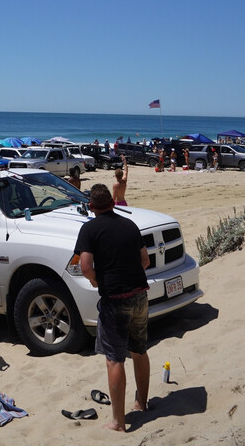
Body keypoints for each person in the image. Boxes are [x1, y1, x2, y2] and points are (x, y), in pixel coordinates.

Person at [75, 183, 150, 433]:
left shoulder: (90, 228)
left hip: (115, 300)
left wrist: (97, 280)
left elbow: (85, 266)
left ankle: (118, 421)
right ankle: (141, 402)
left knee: (114, 359)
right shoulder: (129, 224)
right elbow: (145, 260)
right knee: (139, 350)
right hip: (139, 294)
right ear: (112, 202)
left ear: (91, 206)